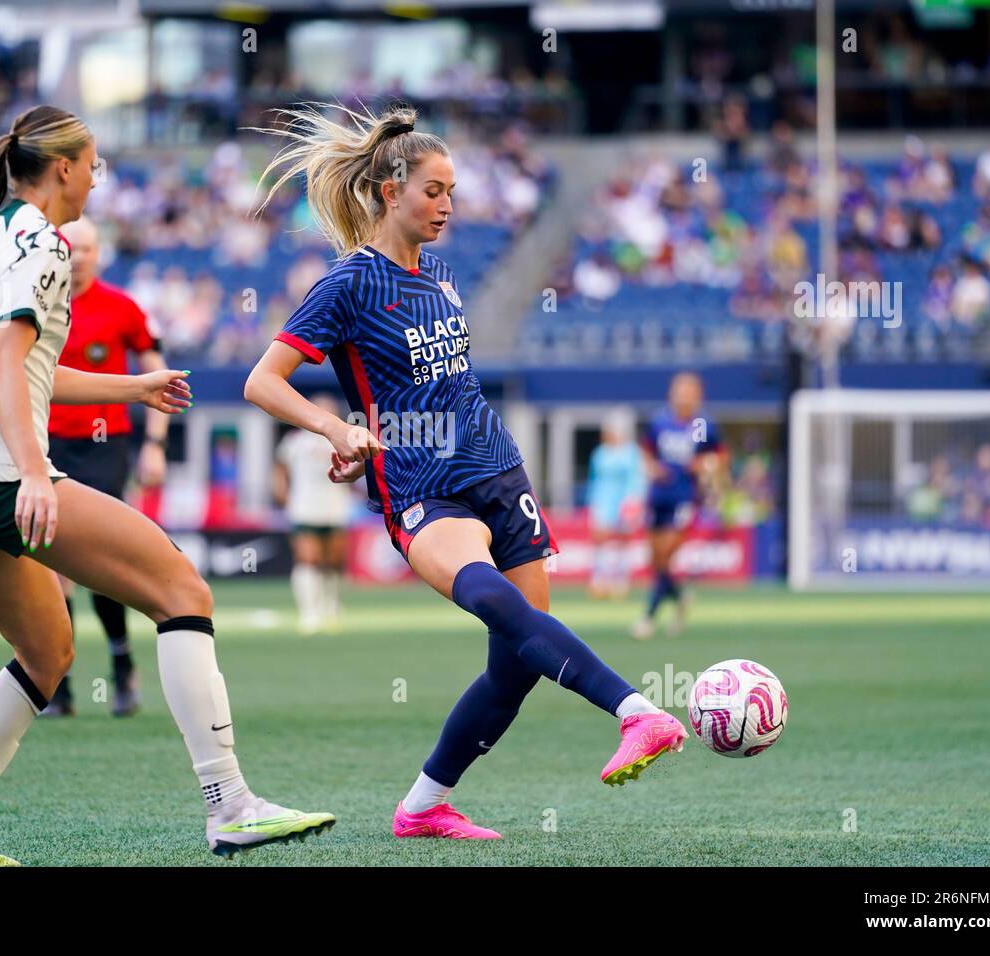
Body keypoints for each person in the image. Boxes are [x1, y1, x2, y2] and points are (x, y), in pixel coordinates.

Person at [0, 105, 334, 864]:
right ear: (64, 169)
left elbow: (24, 369)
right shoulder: (42, 242)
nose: (98, 178)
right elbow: (6, 366)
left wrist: (131, 390)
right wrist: (35, 472)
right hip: (2, 474)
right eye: (93, 164)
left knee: (47, 653)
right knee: (183, 592)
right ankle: (231, 805)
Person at [244, 103, 686, 841]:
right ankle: (636, 710)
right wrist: (337, 427)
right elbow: (265, 380)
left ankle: (421, 806)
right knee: (491, 598)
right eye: (433, 190)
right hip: (422, 486)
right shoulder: (351, 283)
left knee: (517, 662)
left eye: (452, 191)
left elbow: (432, 391)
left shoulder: (441, 277)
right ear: (390, 192)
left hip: (498, 469)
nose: (447, 205)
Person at [42, 216, 169, 718]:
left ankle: (121, 665)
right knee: (52, 567)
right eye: (69, 249)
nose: (77, 258)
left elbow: (154, 364)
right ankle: (58, 681)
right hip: (47, 445)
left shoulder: (122, 308)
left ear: (98, 253)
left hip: (107, 445)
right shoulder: (38, 304)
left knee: (99, 563)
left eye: (86, 249)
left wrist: (154, 443)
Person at [631, 372, 725, 640]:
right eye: (679, 390)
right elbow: (646, 450)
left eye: (688, 390)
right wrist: (652, 467)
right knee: (655, 558)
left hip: (684, 496)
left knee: (667, 553)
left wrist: (703, 467)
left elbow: (718, 456)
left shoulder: (703, 424)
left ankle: (648, 617)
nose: (682, 395)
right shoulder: (660, 421)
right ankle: (680, 595)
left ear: (697, 395)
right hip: (658, 495)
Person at [273, 393, 355, 634]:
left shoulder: (344, 439)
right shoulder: (295, 441)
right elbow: (279, 470)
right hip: (305, 508)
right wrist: (285, 496)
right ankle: (309, 612)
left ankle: (331, 607)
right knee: (308, 558)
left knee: (333, 561)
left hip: (335, 508)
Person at [586, 410, 646, 600]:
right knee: (600, 539)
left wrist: (634, 502)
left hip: (624, 501)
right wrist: (593, 502)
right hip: (603, 500)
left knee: (623, 540)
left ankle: (621, 581)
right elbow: (594, 479)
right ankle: (599, 580)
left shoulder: (632, 453)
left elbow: (638, 479)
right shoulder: (599, 454)